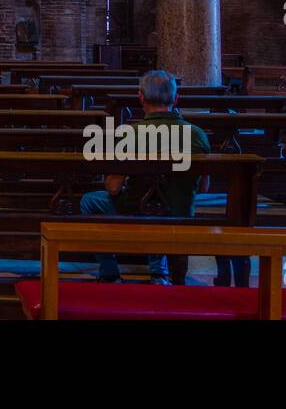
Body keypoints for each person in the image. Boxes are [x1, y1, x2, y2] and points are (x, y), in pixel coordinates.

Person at [79, 70, 210, 284]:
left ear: (141, 98)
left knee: (89, 201)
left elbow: (113, 187)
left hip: (136, 211)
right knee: (162, 201)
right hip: (181, 213)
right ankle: (159, 272)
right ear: (176, 99)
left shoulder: (130, 134)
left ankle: (110, 273)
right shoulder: (196, 134)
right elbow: (204, 187)